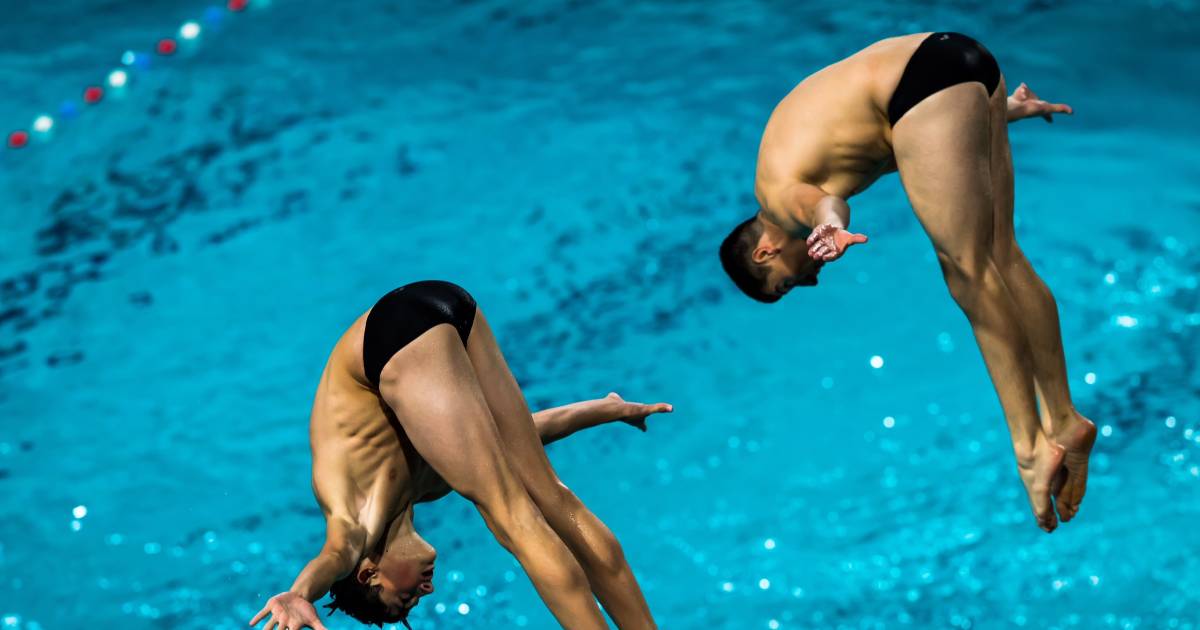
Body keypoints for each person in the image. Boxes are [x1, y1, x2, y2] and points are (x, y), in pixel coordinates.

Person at [718, 32, 1094, 533]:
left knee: (966, 271)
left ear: (765, 253)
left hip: (922, 87)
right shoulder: (794, 159)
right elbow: (913, 148)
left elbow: (821, 205)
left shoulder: (778, 202)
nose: (808, 284)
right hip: (959, 64)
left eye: (786, 285)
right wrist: (996, 114)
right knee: (1004, 255)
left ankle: (1030, 448)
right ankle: (1064, 416)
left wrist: (829, 224)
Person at [249, 280, 671, 630]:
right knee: (552, 497)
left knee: (515, 520)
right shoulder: (423, 486)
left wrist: (298, 594)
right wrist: (604, 409)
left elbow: (333, 557)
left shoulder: (356, 517)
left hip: (391, 339)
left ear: (368, 574)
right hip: (444, 303)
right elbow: (514, 436)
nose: (426, 590)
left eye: (406, 597)